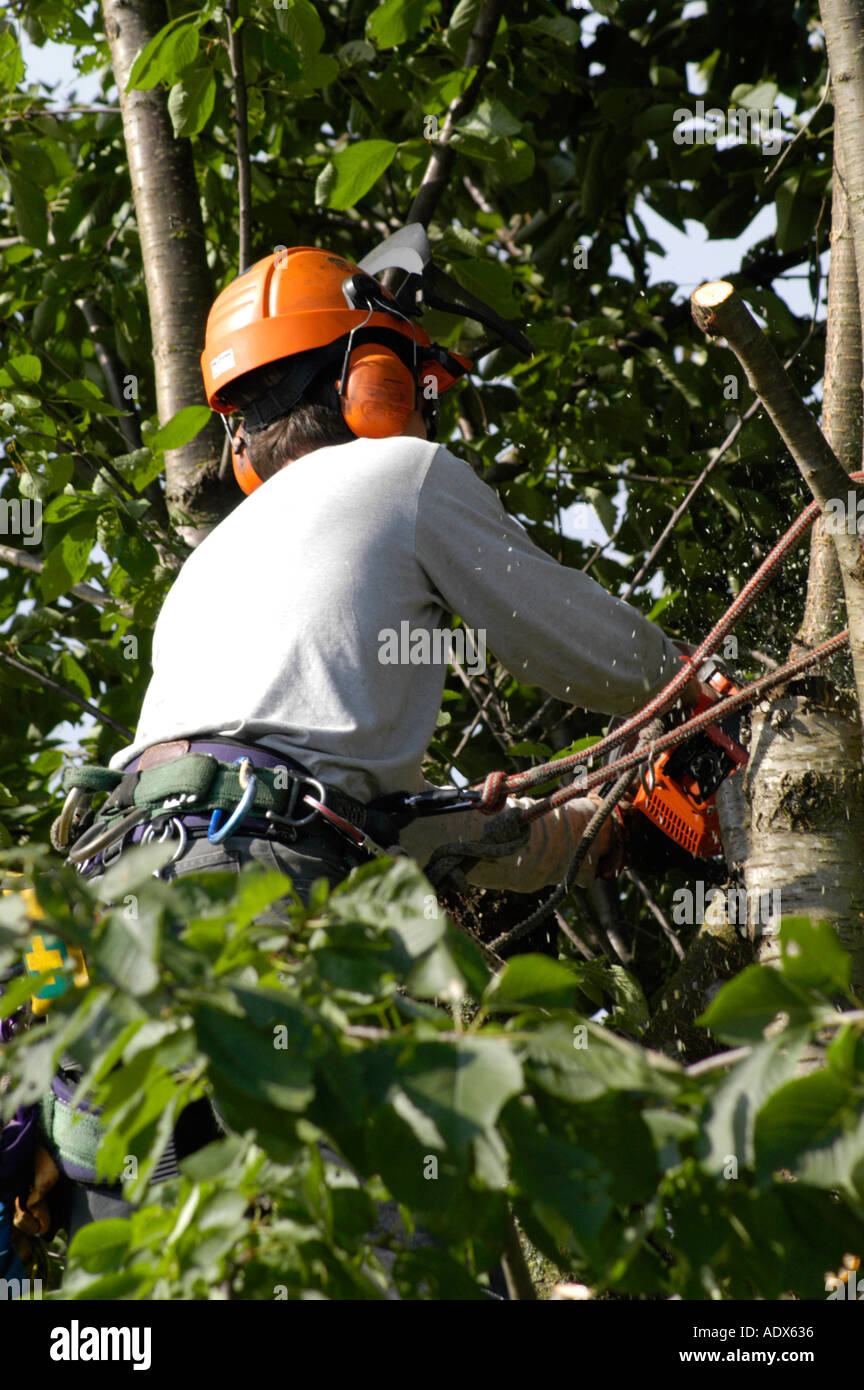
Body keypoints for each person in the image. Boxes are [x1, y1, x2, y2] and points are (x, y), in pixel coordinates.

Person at [17, 233, 700, 1285]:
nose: (425, 411)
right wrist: (719, 694)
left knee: (174, 1270)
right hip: (256, 912)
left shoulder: (207, 582)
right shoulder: (402, 473)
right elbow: (612, 661)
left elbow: (317, 812)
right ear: (371, 381)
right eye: (411, 383)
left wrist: (588, 833)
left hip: (110, 936)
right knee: (388, 1257)